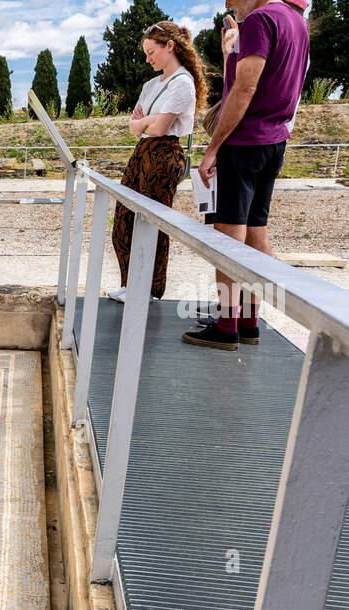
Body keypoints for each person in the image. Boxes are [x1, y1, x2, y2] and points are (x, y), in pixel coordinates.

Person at [187, 0, 309, 350]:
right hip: (274, 138)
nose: (227, 3)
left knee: (228, 234)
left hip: (244, 139)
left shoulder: (260, 20)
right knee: (257, 230)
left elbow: (244, 88)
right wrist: (230, 52)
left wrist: (213, 147)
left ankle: (226, 325)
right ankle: (249, 319)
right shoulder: (296, 22)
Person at [108, 21, 205, 304]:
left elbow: (160, 128)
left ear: (170, 46)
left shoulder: (183, 83)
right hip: (142, 152)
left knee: (152, 223)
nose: (148, 59)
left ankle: (149, 289)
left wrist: (144, 122)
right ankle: (130, 283)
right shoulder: (152, 84)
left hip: (163, 154)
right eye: (146, 54)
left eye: (152, 52)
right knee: (124, 221)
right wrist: (144, 123)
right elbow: (133, 126)